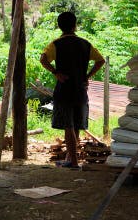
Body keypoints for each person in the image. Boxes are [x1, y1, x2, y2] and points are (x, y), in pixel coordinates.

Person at [40, 11, 105, 168]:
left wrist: (56, 73)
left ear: (59, 26)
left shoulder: (56, 44)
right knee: (76, 125)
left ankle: (73, 162)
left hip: (64, 89)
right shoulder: (85, 44)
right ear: (75, 25)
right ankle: (71, 158)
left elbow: (43, 59)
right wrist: (88, 76)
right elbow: (100, 61)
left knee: (68, 125)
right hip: (80, 90)